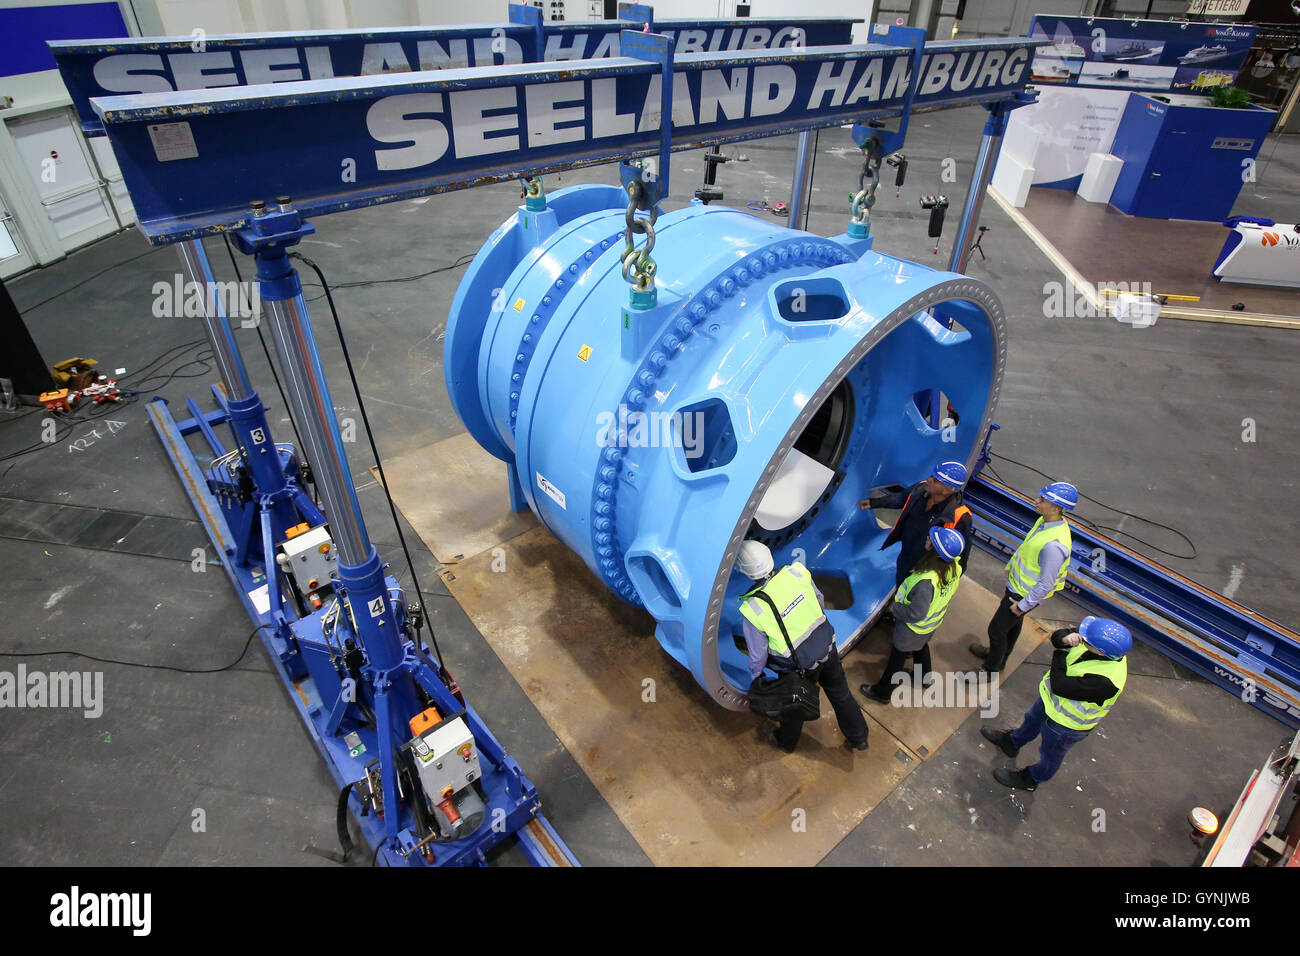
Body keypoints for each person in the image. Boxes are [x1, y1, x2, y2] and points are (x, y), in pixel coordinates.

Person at [736, 540, 869, 754]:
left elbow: (757, 653)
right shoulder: (797, 572)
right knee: (841, 694)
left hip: (799, 666)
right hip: (827, 645)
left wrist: (756, 677)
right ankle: (859, 737)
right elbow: (819, 599)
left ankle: (786, 742)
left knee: (796, 706)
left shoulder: (754, 607)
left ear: (744, 571)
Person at [980, 616, 1131, 791]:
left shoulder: (1106, 682)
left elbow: (1060, 685)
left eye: (1085, 639)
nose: (1080, 637)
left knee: (1050, 756)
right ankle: (1012, 742)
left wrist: (1060, 652)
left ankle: (1031, 779)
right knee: (1031, 720)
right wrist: (1063, 639)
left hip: (1065, 725)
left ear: (1100, 652)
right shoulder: (1093, 639)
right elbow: (1058, 637)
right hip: (1050, 702)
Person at [970, 481, 1076, 672]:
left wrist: (1022, 605)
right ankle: (1000, 659)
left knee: (996, 630)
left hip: (1023, 594)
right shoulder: (1046, 521)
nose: (1036, 501)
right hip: (1018, 587)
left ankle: (990, 668)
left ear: (1057, 507)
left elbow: (1046, 583)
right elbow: (1028, 548)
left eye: (1042, 499)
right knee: (1011, 625)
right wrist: (1012, 567)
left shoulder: (1054, 545)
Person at [860, 527, 966, 704]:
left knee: (897, 658)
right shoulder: (953, 565)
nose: (927, 539)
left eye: (930, 540)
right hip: (930, 624)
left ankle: (883, 691)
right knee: (921, 646)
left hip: (912, 628)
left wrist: (896, 609)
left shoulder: (926, 581)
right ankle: (923, 678)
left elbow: (915, 613)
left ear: (935, 551)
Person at [860, 460, 973, 588]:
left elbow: (961, 558)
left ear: (947, 491)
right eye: (932, 476)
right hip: (906, 555)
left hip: (925, 567)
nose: (929, 480)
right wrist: (873, 503)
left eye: (935, 480)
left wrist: (945, 585)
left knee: (914, 596)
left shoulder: (960, 517)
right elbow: (900, 498)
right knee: (901, 585)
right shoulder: (920, 489)